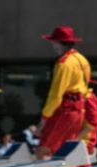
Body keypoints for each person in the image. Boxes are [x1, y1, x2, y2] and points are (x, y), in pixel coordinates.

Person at [36, 26, 92, 159]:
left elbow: (56, 95)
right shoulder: (82, 59)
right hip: (78, 110)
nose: (52, 45)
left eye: (53, 42)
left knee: (43, 149)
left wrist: (44, 119)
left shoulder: (63, 63)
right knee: (64, 151)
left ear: (59, 44)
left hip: (65, 110)